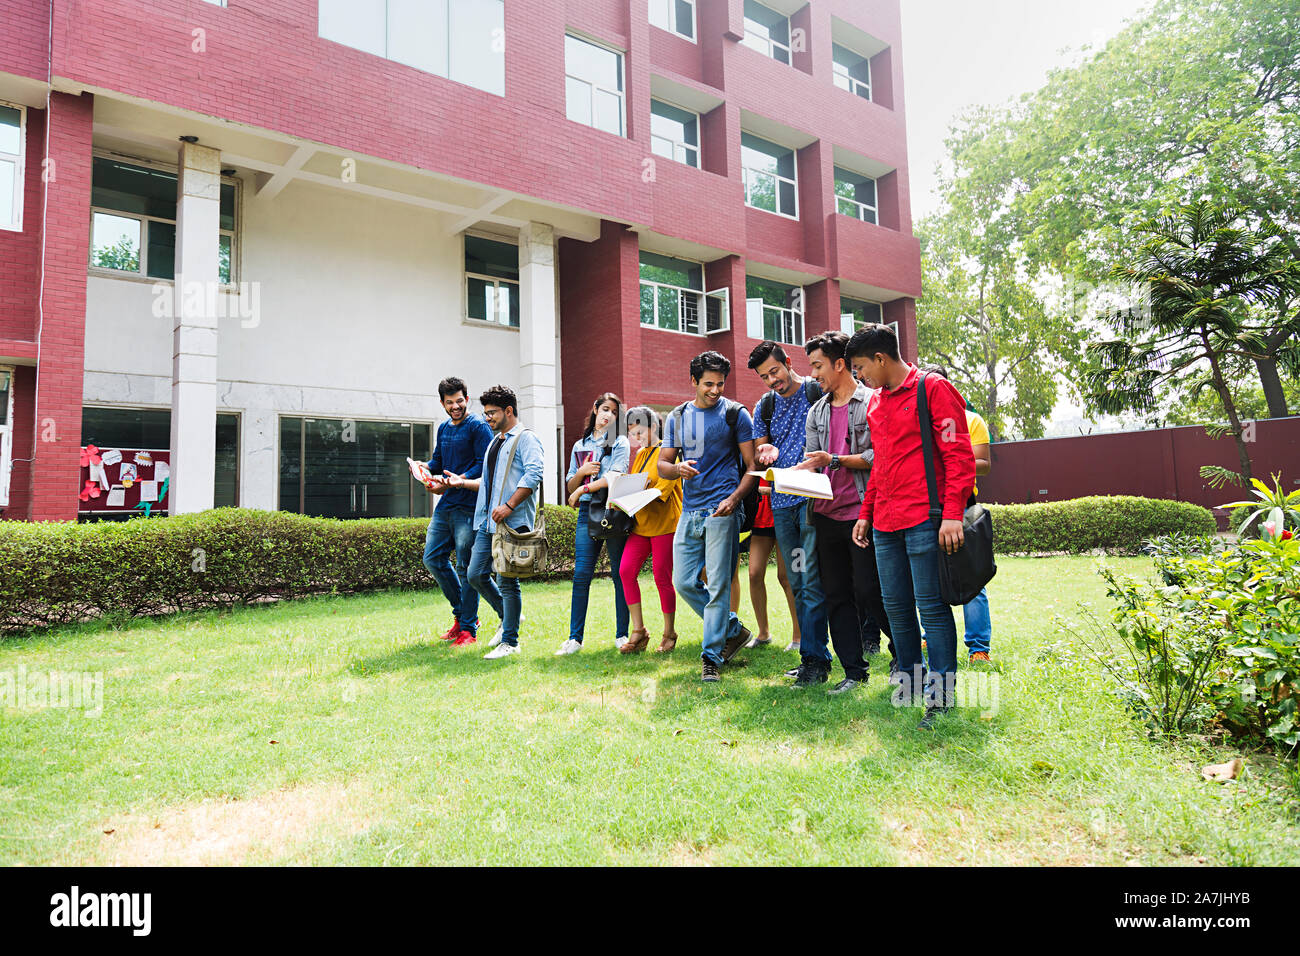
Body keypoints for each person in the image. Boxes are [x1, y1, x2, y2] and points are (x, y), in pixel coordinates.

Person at [847, 326, 975, 728]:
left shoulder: (934, 389)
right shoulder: (876, 405)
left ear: (881, 359)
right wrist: (866, 511)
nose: (860, 378)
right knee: (897, 610)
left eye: (861, 368)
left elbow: (958, 455)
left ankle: (941, 698)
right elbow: (880, 464)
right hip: (884, 521)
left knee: (932, 610)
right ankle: (911, 687)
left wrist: (952, 513)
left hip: (925, 518)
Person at [790, 330, 891, 694]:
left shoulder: (873, 402)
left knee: (870, 591)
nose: (813, 374)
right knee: (836, 596)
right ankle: (854, 671)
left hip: (863, 514)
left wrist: (834, 459)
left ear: (839, 364)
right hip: (826, 516)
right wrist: (786, 478)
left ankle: (904, 654)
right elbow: (813, 462)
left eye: (817, 366)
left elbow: (879, 457)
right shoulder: (816, 412)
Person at [658, 351, 758, 683]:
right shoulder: (676, 416)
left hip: (722, 507)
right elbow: (663, 464)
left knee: (717, 586)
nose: (715, 390)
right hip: (690, 510)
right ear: (693, 382)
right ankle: (732, 629)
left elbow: (753, 468)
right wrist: (676, 469)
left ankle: (711, 657)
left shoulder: (735, 414)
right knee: (683, 581)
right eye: (708, 384)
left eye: (720, 383)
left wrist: (733, 499)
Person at [444, 385, 545, 660]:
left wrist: (509, 505)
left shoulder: (525, 439)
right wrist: (461, 482)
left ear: (508, 411)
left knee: (508, 581)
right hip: (487, 522)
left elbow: (534, 474)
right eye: (486, 413)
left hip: (512, 521)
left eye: (492, 413)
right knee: (475, 574)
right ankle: (508, 615)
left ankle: (511, 641)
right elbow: (488, 484)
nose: (487, 418)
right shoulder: (495, 441)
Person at [749, 340, 828, 659]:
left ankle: (819, 647)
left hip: (814, 499)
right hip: (782, 506)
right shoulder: (763, 407)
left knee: (813, 575)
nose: (771, 381)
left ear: (788, 362)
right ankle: (808, 644)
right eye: (764, 377)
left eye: (774, 371)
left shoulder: (816, 391)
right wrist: (765, 452)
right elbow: (760, 451)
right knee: (795, 576)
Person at [919, 364, 995, 663]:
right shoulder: (920, 421)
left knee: (969, 575)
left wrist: (950, 460)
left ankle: (978, 648)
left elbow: (984, 463)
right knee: (926, 576)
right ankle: (929, 637)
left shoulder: (972, 420)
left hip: (961, 505)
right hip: (925, 506)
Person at [422, 377, 494, 647]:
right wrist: (424, 468)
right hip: (446, 505)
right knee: (433, 558)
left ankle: (468, 629)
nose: (456, 406)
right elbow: (438, 461)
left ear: (467, 399)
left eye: (459, 401)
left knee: (465, 568)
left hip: (469, 506)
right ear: (442, 403)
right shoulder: (443, 429)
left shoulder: (477, 426)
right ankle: (462, 615)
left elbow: (484, 464)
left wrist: (460, 479)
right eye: (450, 402)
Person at [560, 393, 632, 655]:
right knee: (581, 576)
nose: (608, 415)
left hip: (612, 510)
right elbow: (569, 484)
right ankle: (574, 639)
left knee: (619, 575)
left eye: (614, 412)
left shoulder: (620, 442)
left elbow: (615, 476)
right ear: (594, 409)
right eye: (604, 409)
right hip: (587, 513)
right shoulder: (580, 445)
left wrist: (583, 488)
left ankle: (622, 635)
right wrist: (580, 474)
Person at [618, 406, 682, 654]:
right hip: (641, 525)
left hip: (665, 525)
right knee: (625, 571)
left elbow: (662, 491)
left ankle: (669, 632)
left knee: (661, 577)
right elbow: (636, 483)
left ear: (654, 427)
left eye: (640, 431)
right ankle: (639, 631)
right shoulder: (642, 453)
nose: (636, 438)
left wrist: (637, 490)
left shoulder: (669, 452)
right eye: (633, 433)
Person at [745, 481, 801, 651]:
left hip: (786, 512)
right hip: (761, 516)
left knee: (787, 577)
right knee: (754, 574)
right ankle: (763, 634)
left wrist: (770, 490)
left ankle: (798, 636)